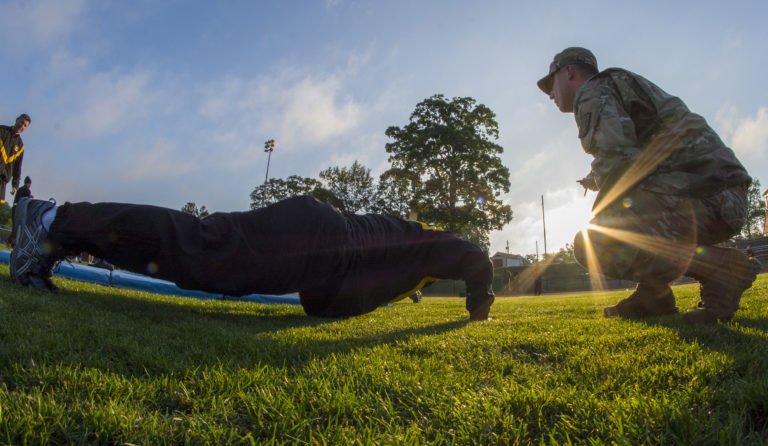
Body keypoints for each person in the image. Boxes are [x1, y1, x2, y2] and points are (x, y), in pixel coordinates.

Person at [537, 47, 760, 324]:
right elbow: (638, 156)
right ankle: (653, 296)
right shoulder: (616, 86)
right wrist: (597, 178)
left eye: (551, 82)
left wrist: (601, 215)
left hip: (709, 196)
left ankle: (720, 268)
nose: (549, 93)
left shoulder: (593, 92)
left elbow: (618, 161)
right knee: (619, 224)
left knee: (596, 241)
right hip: (720, 195)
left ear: (568, 71)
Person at [10, 196, 494, 320]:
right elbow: (474, 256)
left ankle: (53, 239)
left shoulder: (414, 261)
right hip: (322, 238)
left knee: (200, 260)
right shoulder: (433, 244)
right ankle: (52, 219)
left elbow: (323, 301)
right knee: (200, 245)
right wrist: (479, 303)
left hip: (319, 250)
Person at [0, 114, 31, 204]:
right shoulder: (2, 130)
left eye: (25, 125)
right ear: (17, 119)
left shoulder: (20, 146)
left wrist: (15, 185)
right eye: (21, 122)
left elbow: (18, 167)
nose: (22, 126)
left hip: (2, 181)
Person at [6, 176, 33, 247]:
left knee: (15, 227)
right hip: (19, 211)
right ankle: (12, 243)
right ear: (29, 183)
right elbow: (26, 200)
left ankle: (10, 242)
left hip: (14, 208)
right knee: (19, 228)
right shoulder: (27, 190)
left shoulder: (20, 189)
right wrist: (31, 197)